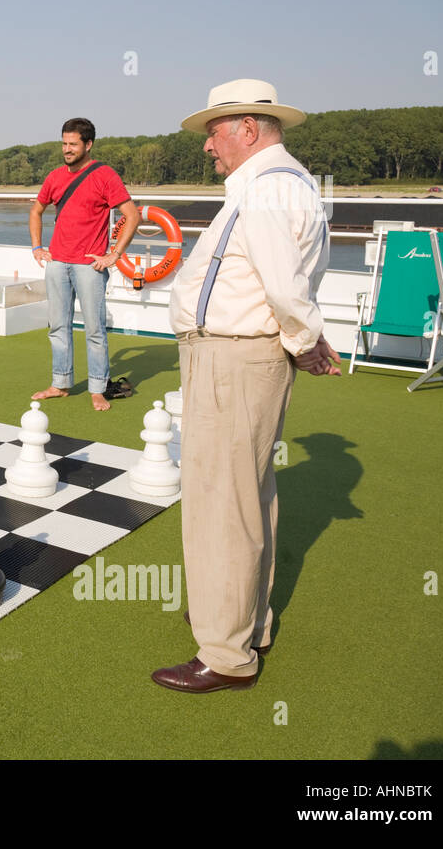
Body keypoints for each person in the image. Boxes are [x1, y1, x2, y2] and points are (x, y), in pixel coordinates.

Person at [152, 79, 341, 693]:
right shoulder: (281, 187)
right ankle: (239, 620)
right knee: (247, 496)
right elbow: (289, 282)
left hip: (235, 360)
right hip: (239, 358)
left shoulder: (266, 192)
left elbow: (286, 287)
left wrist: (305, 340)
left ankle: (227, 654)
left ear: (247, 129)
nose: (208, 146)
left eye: (213, 132)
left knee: (220, 505)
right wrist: (302, 338)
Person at [27, 118, 140, 411]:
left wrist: (113, 254)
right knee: (58, 327)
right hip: (57, 263)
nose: (67, 149)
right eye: (64, 143)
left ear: (88, 145)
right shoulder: (54, 177)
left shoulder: (104, 175)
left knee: (94, 330)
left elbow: (132, 215)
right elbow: (36, 211)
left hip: (90, 266)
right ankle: (60, 384)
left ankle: (98, 388)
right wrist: (37, 247)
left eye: (73, 144)